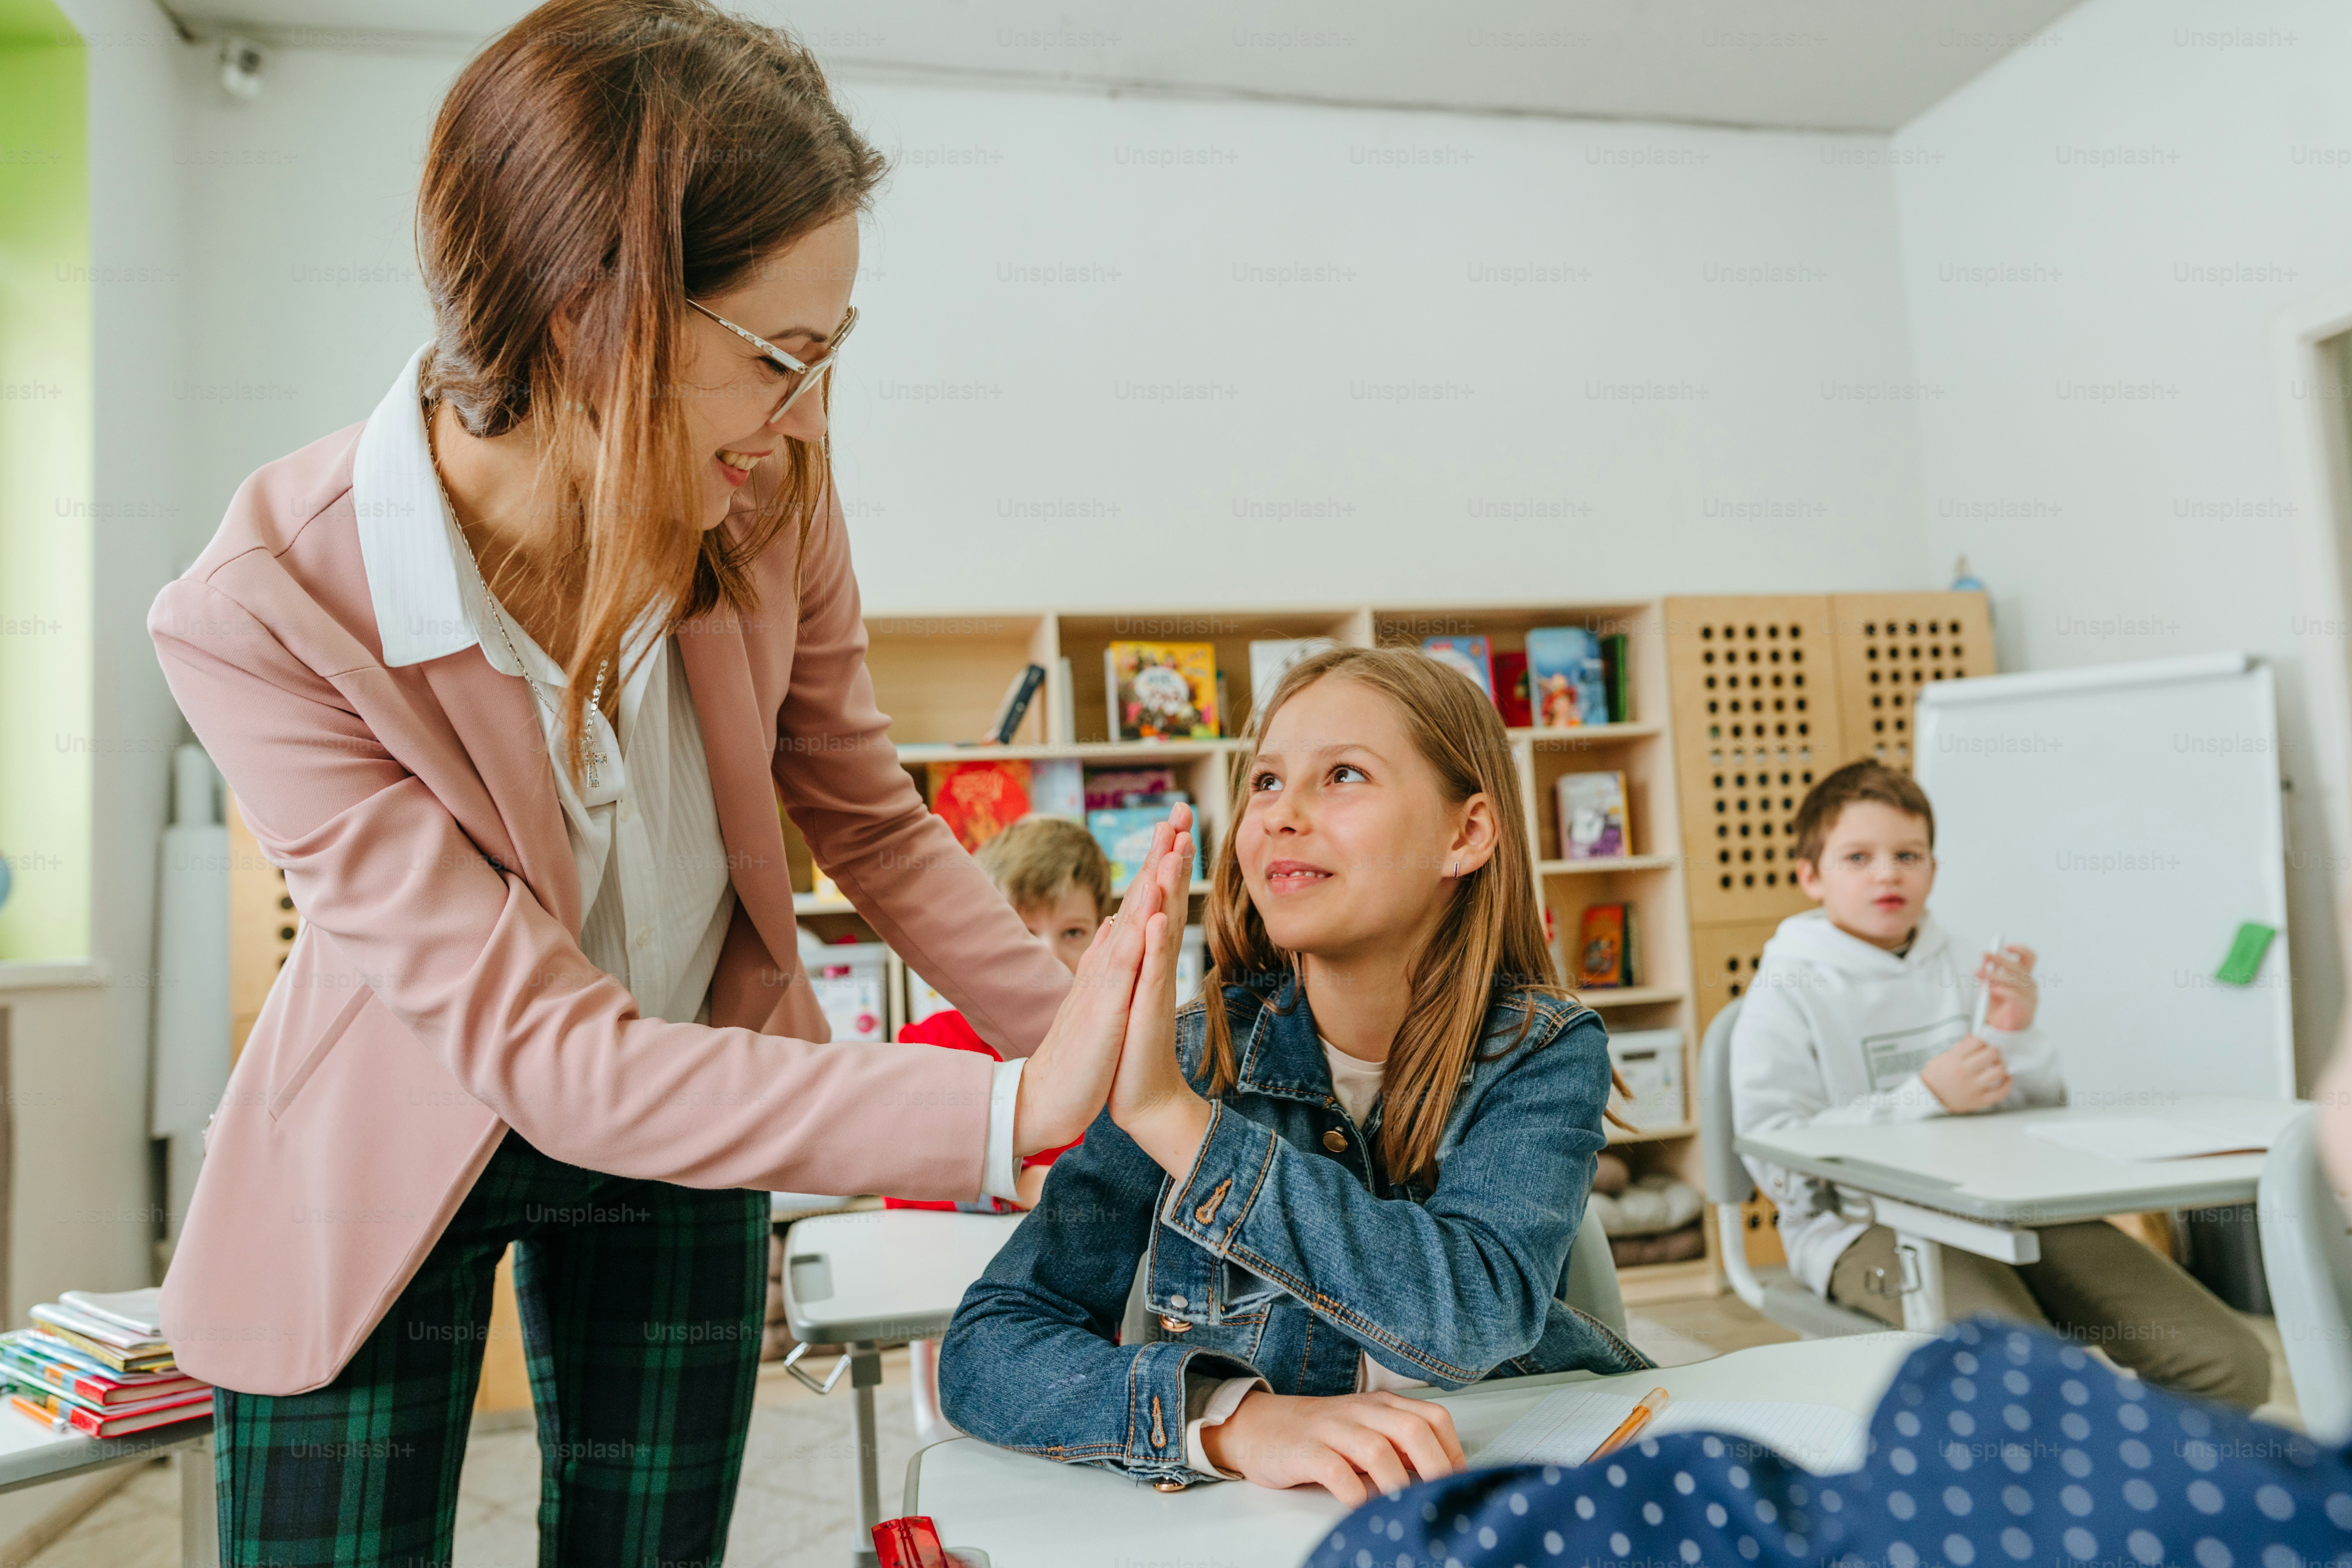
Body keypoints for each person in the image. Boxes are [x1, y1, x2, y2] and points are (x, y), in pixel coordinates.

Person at [144, 3, 1189, 1563]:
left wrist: (1113, 1063)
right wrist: (1000, 1107)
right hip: (384, 1138)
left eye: (832, 358)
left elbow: (866, 810)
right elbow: (549, 1051)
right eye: (782, 357)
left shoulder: (765, 484)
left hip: (700, 1086)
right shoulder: (264, 609)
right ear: (592, 320)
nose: (810, 417)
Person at [938, 646, 1648, 1502]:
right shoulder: (1194, 1053)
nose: (1280, 814)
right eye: (1266, 782)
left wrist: (1177, 1122)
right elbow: (989, 1347)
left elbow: (1470, 1314)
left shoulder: (1542, 1050)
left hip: (1505, 1493)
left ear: (1464, 834)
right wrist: (1232, 1421)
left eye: (1342, 774)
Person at [1732, 762, 2267, 1406]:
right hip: (1860, 1230)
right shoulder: (1784, 990)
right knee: (2028, 1377)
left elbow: (2036, 1121)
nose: (1888, 873)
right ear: (1810, 876)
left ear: (1933, 868)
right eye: (1858, 857)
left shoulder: (1965, 964)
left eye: (1909, 854)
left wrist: (2017, 1035)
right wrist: (1926, 1097)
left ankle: (2171, 1500)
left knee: (2228, 1362)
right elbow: (1776, 1157)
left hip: (2014, 1209)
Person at [888, 816, 1115, 1212]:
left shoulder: (1118, 1050)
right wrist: (1019, 1186)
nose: (1048, 957)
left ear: (1103, 934)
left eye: (1074, 933)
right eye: (1023, 934)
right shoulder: (931, 1047)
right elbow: (898, 1182)